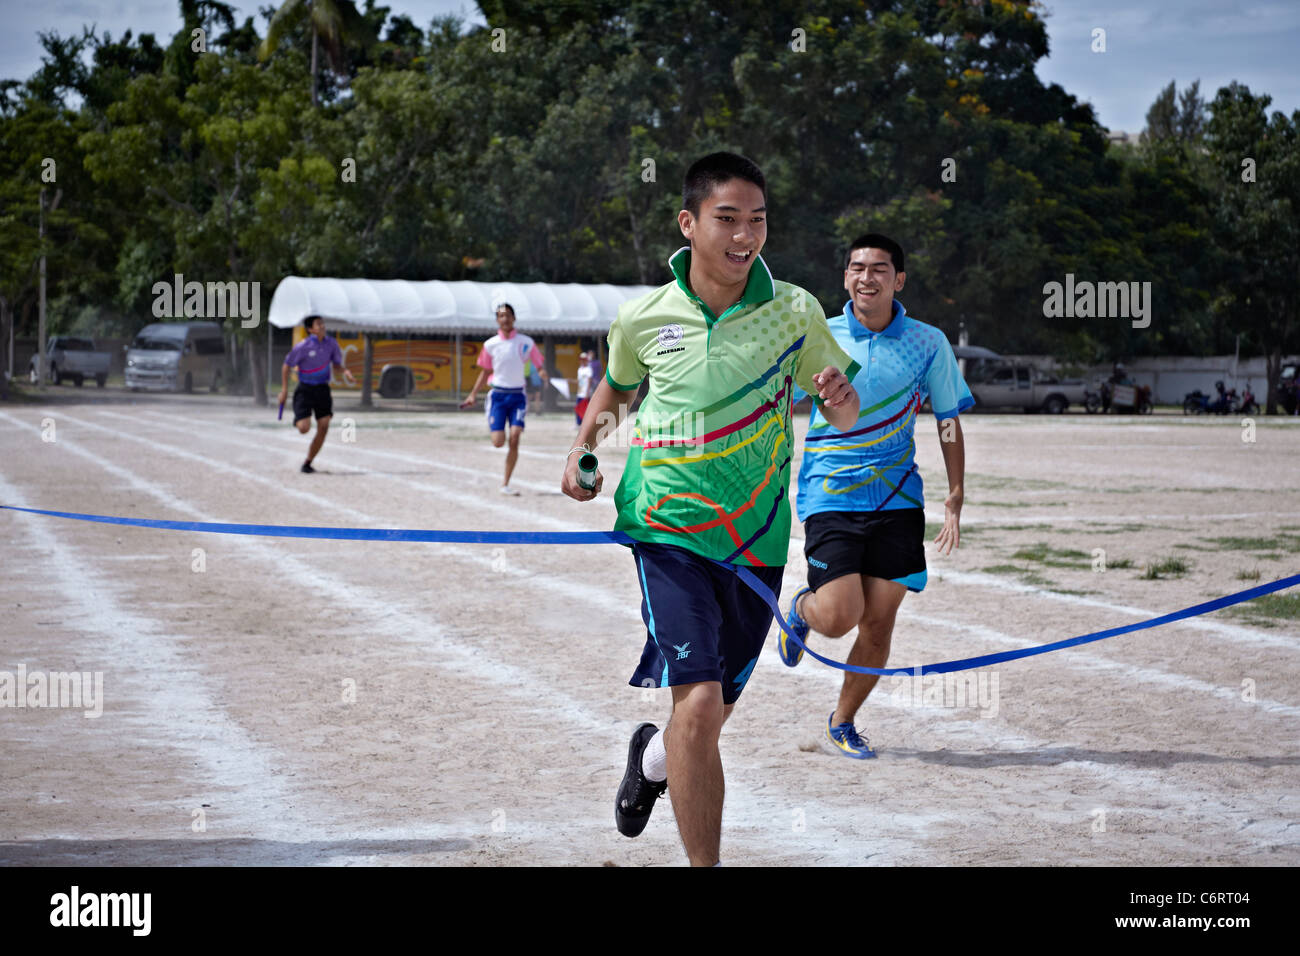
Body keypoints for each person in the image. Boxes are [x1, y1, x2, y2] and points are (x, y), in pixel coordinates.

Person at [561, 152, 860, 866]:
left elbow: (837, 409)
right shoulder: (644, 317)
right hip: (666, 529)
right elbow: (615, 392)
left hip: (755, 540)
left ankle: (652, 763)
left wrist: (842, 406)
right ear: (689, 223)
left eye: (757, 221)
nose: (745, 235)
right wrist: (582, 453)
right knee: (695, 706)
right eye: (728, 219)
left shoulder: (794, 309)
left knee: (706, 719)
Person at [780, 234, 972, 757]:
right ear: (846, 277)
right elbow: (778, 404)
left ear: (899, 280)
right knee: (840, 615)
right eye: (857, 268)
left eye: (879, 269)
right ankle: (801, 607)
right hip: (830, 494)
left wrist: (955, 495)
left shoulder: (929, 343)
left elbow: (948, 420)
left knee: (879, 621)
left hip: (897, 500)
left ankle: (842, 721)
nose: (867, 277)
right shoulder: (821, 336)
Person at [460, 303, 549, 495]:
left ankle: (505, 483)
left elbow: (539, 365)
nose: (505, 319)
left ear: (514, 318)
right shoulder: (490, 345)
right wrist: (473, 394)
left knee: (515, 438)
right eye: (501, 316)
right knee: (498, 442)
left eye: (508, 315)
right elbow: (485, 373)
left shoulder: (526, 342)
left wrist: (542, 373)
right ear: (497, 320)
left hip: (518, 396)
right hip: (498, 396)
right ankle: (493, 421)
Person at [278, 314, 356, 473]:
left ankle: (307, 462)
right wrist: (284, 390)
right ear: (310, 329)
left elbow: (336, 365)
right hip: (305, 390)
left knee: (324, 426)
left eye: (323, 324)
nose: (322, 326)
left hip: (322, 389)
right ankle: (299, 421)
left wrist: (345, 371)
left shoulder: (331, 344)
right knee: (304, 428)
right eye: (318, 324)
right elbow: (286, 366)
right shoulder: (303, 346)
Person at [575, 351, 594, 427]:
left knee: (585, 409)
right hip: (580, 392)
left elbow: (589, 381)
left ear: (586, 360)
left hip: (585, 393)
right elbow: (579, 381)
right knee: (578, 408)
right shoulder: (580, 369)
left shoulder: (588, 369)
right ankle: (578, 423)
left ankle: (585, 424)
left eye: (584, 359)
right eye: (581, 359)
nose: (582, 361)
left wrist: (587, 392)